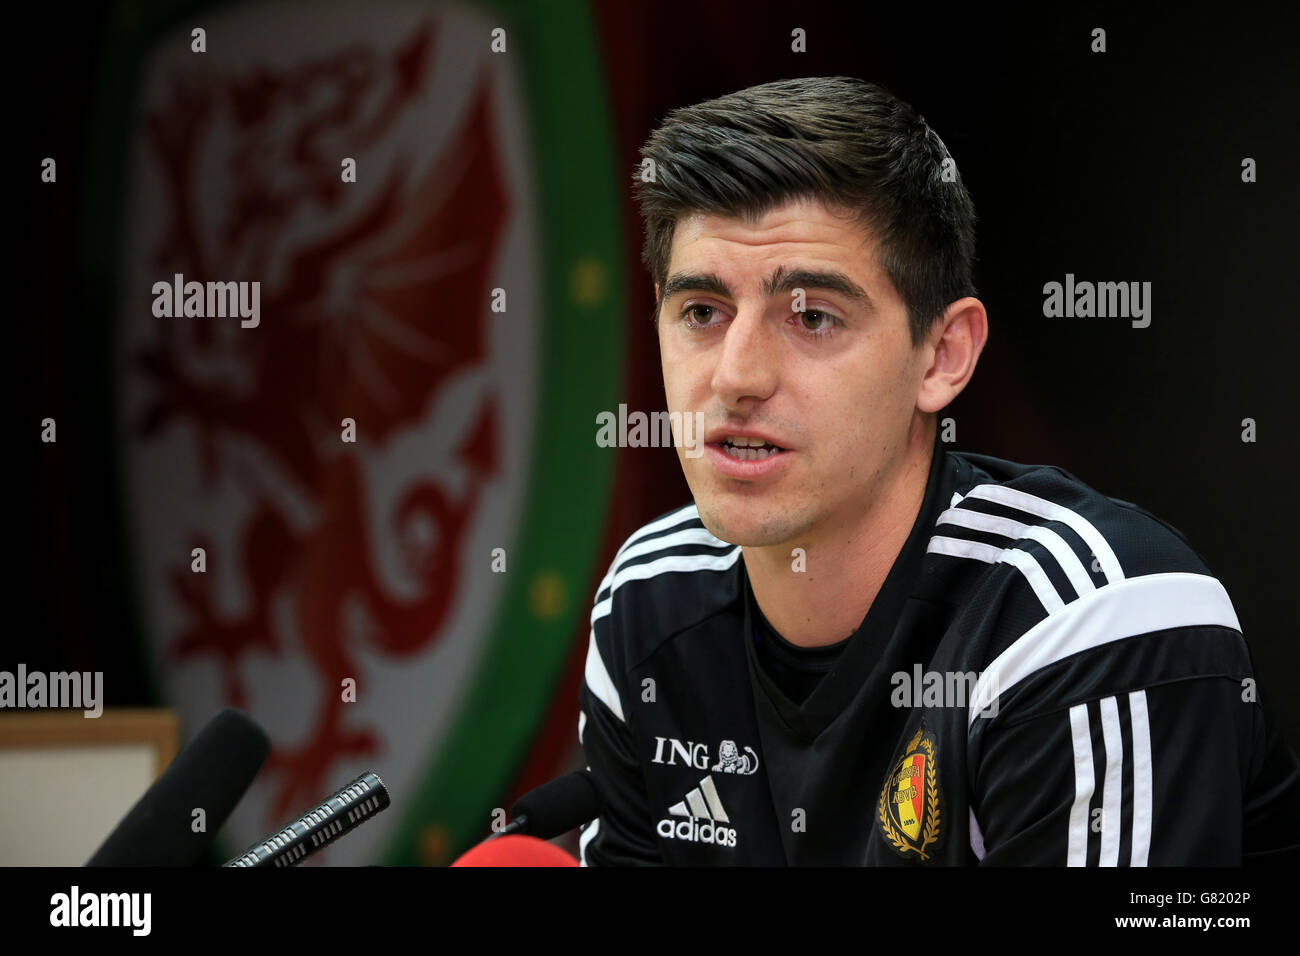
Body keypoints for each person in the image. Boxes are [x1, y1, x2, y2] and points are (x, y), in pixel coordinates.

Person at [577, 75, 1300, 865]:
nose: (735, 376)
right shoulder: (650, 594)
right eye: (702, 313)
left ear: (943, 355)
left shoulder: (1090, 616)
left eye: (813, 315)